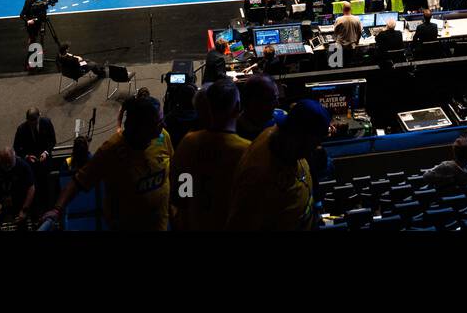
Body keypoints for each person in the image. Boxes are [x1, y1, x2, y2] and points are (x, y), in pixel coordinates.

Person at [42, 91, 172, 231]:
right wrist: (56, 210)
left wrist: (183, 201)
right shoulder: (111, 150)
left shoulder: (163, 136)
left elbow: (177, 169)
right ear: (141, 126)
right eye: (158, 122)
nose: (163, 124)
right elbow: (78, 181)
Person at [226, 99, 330, 230]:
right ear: (300, 138)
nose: (317, 148)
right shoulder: (259, 177)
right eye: (315, 143)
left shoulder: (281, 137)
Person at [170, 79, 252, 232]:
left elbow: (182, 189)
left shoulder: (190, 142)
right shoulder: (247, 151)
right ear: (238, 107)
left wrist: (187, 208)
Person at [14, 107, 57, 213]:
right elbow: (16, 148)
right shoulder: (21, 129)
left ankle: (48, 209)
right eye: (30, 122)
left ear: (39, 116)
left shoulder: (46, 123)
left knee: (46, 187)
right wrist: (27, 156)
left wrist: (46, 152)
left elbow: (52, 140)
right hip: (30, 165)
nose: (33, 124)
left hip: (45, 163)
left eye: (35, 122)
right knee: (33, 189)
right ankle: (36, 212)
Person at [0, 147, 36, 228]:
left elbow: (31, 188)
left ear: (14, 156)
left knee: (22, 224)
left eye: (10, 162)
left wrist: (24, 209)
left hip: (19, 203)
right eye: (4, 163)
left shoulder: (23, 166)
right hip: (1, 203)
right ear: (0, 160)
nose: (7, 165)